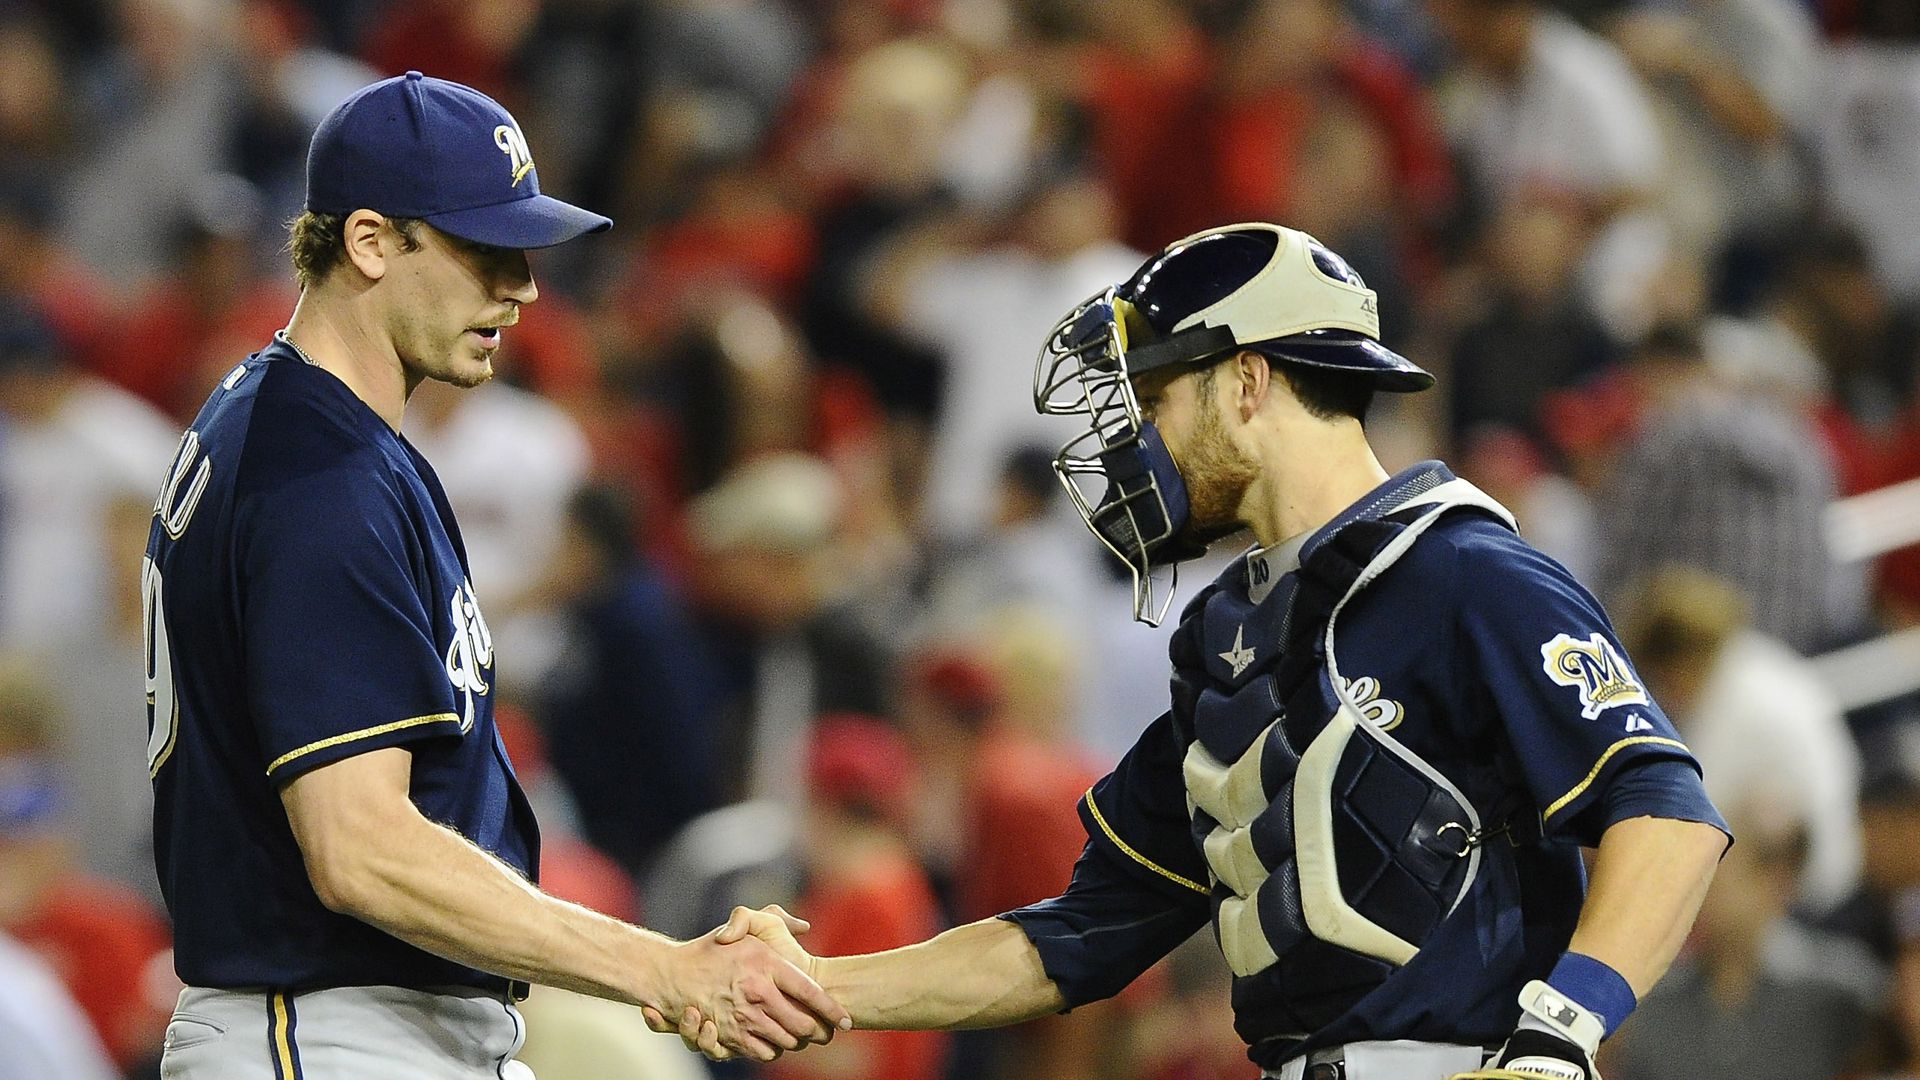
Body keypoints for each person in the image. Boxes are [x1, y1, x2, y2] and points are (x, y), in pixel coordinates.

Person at [655, 223, 1731, 1079]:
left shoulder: (1465, 571)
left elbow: (1666, 816)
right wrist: (814, 981)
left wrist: (1560, 1036)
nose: (1135, 442)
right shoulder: (1228, 632)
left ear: (1248, 381)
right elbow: (1070, 939)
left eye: (1157, 398)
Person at [141, 71, 847, 1078]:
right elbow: (363, 849)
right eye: (483, 249)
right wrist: (664, 966)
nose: (520, 285)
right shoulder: (318, 479)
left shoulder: (305, 431)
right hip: (330, 1031)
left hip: (369, 1026)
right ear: (371, 241)